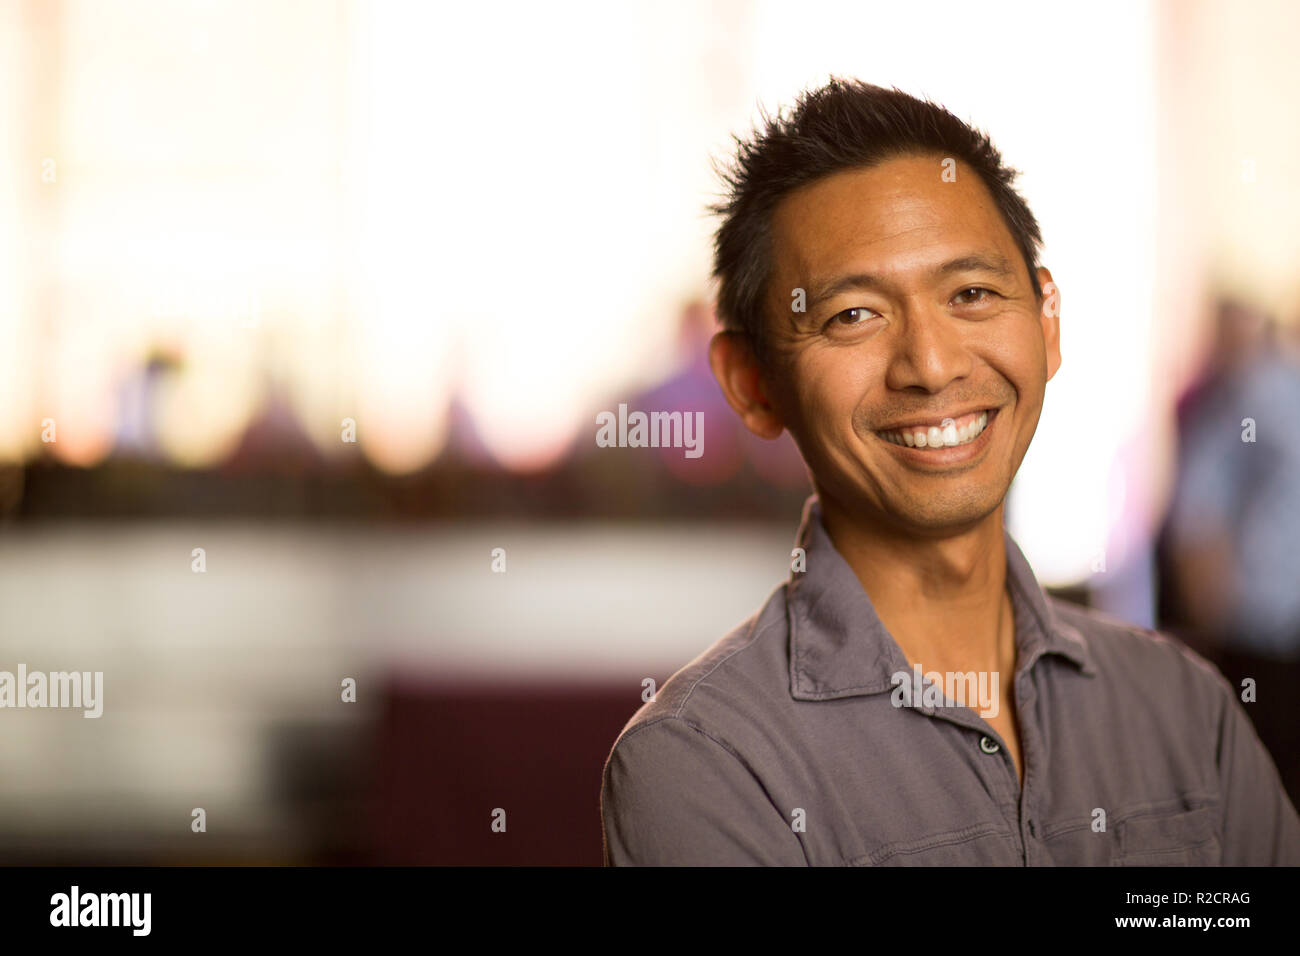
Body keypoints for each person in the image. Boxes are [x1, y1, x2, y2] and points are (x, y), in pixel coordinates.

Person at [599, 78, 1300, 865]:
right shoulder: (709, 764)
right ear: (753, 385)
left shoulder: (1181, 708)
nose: (930, 367)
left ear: (1047, 323)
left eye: (971, 293)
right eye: (852, 315)